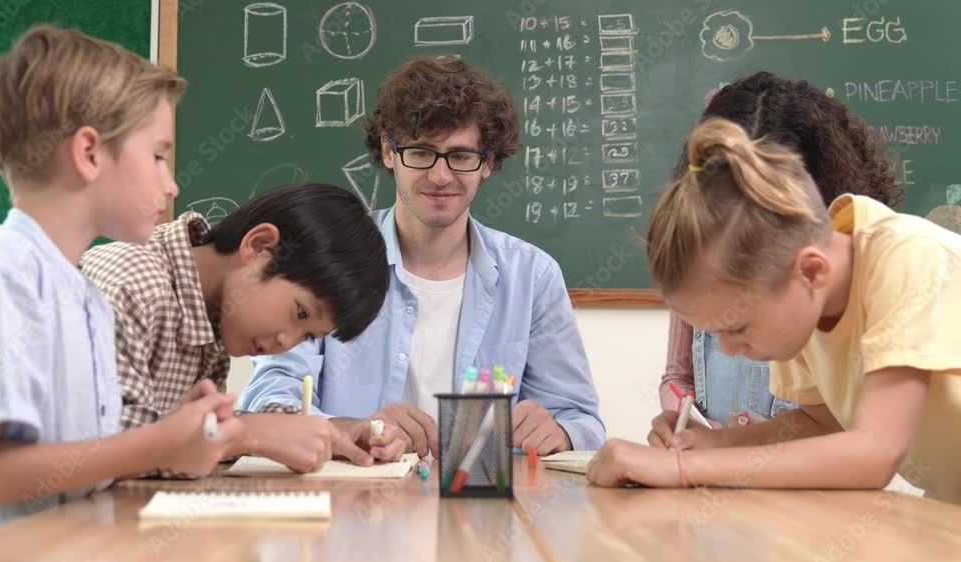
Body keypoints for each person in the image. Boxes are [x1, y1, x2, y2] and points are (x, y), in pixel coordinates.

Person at [239, 56, 605, 456]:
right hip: (354, 504)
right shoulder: (326, 256)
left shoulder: (532, 276)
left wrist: (561, 431)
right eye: (421, 152)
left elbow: (583, 420)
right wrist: (344, 430)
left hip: (482, 511)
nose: (441, 176)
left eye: (461, 156)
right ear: (389, 151)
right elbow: (268, 399)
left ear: (490, 162)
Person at [588, 117, 961, 504]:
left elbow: (875, 454)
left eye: (737, 327)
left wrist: (680, 470)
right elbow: (821, 424)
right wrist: (711, 444)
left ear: (811, 271)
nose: (729, 349)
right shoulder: (805, 301)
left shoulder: (906, 258)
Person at [0, 25, 240, 531]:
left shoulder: (85, 293)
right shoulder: (2, 274)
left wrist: (176, 428)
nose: (171, 182)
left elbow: (80, 462)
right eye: (158, 155)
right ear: (89, 154)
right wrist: (155, 443)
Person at [81, 183, 404, 473]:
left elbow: (193, 430)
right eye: (301, 313)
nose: (286, 342)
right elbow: (92, 442)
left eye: (307, 337)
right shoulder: (131, 284)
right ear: (259, 246)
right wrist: (247, 434)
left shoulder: (214, 315)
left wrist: (335, 434)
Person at [658, 72, 904, 432]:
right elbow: (813, 423)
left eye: (739, 326)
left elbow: (870, 448)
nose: (727, 347)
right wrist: (699, 445)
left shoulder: (891, 267)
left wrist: (696, 462)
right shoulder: (797, 304)